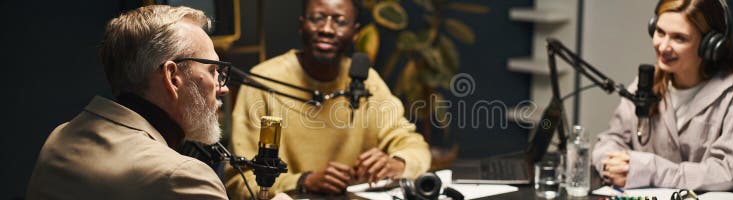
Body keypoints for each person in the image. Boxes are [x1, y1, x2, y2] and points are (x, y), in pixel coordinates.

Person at [224, 0, 431, 197]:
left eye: (340, 21)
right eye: (317, 18)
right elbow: (239, 182)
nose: (327, 29)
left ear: (355, 33)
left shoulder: (367, 83)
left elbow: (415, 147)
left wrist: (398, 164)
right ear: (301, 25)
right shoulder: (262, 83)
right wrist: (303, 182)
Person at [26, 5, 232, 199]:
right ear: (172, 77)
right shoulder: (184, 177)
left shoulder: (58, 138)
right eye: (212, 71)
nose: (223, 88)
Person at [592, 0, 733, 196]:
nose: (663, 46)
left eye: (679, 38)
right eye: (659, 32)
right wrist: (612, 166)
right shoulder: (647, 84)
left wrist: (650, 170)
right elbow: (609, 140)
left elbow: (726, 172)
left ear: (710, 44)